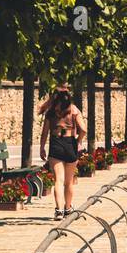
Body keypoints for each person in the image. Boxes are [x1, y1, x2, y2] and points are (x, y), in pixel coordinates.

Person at [40, 87, 86, 220]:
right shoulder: (74, 110)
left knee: (58, 180)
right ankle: (68, 208)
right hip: (70, 143)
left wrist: (42, 147)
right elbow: (83, 129)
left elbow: (44, 133)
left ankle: (59, 210)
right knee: (69, 181)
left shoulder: (51, 112)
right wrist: (78, 141)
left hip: (56, 144)